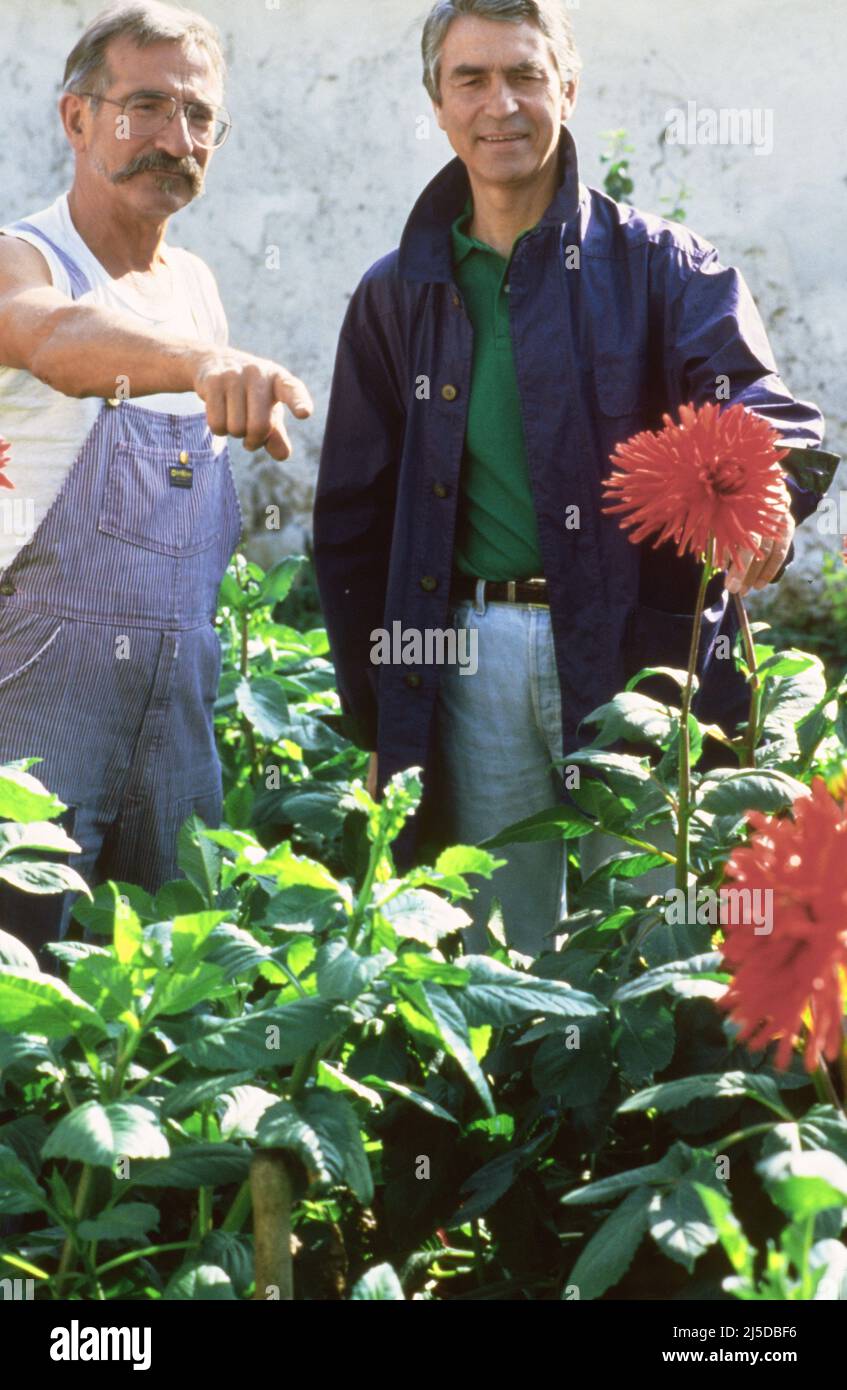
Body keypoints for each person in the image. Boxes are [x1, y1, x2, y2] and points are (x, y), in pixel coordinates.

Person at [312, 0, 831, 958]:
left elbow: (761, 405)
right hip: (470, 655)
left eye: (524, 75)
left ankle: (644, 1114)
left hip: (641, 643)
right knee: (506, 949)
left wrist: (765, 492)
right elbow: (352, 522)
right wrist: (383, 720)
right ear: (436, 102)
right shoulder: (396, 296)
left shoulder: (661, 265)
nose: (499, 104)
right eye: (470, 79)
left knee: (656, 934)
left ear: (568, 88)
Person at [0, 1, 312, 962]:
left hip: (177, 709)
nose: (175, 140)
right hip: (34, 707)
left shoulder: (197, 285)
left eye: (198, 117)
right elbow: (53, 340)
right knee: (22, 986)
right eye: (143, 108)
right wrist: (200, 365)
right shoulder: (23, 260)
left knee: (177, 982)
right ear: (76, 118)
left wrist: (201, 351)